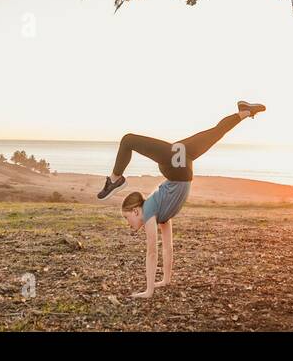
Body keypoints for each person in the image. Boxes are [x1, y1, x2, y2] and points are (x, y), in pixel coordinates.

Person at [97, 100, 266, 298]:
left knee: (128, 140)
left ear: (136, 211)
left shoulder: (150, 212)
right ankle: (244, 112)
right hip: (180, 164)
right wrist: (165, 280)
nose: (128, 223)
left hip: (176, 167)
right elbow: (167, 247)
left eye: (127, 218)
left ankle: (115, 180)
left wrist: (148, 291)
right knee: (215, 133)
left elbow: (152, 252)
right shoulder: (161, 213)